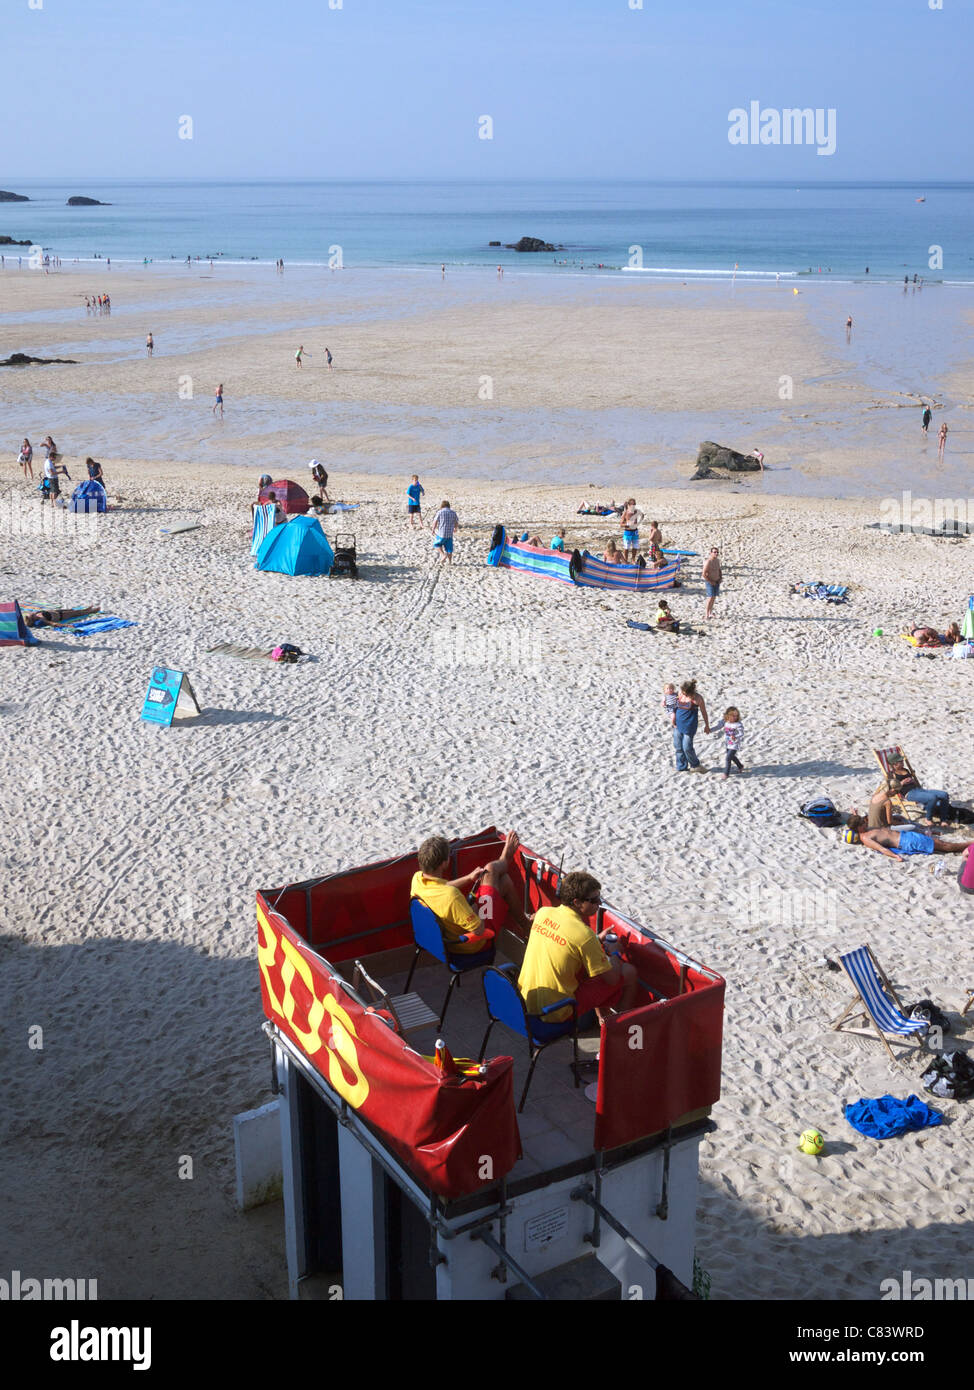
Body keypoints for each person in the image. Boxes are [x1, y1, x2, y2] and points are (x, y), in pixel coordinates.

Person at [518, 870, 638, 1032]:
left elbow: (566, 941)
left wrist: (596, 941)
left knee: (590, 970)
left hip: (525, 1000)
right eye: (594, 900)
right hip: (556, 1011)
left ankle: (602, 1020)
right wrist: (615, 952)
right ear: (577, 902)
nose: (598, 904)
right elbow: (612, 979)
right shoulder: (584, 934)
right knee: (628, 971)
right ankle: (618, 1032)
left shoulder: (543, 913)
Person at [410, 829, 530, 955]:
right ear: (444, 863)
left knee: (504, 881)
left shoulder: (418, 879)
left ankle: (525, 926)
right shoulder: (452, 896)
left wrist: (468, 878)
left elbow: (441, 886)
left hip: (448, 940)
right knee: (491, 869)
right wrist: (476, 908)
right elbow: (479, 930)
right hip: (474, 943)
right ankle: (505, 858)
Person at [845, 817, 974, 861]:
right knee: (944, 846)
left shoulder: (865, 830)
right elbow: (881, 848)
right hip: (906, 842)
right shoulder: (866, 838)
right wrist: (896, 857)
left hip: (906, 836)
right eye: (863, 823)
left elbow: (855, 822)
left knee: (939, 843)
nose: (865, 823)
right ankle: (970, 844)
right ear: (859, 828)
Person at [673, 679, 709, 772]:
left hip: (689, 726)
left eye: (685, 692)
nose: (683, 693)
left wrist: (707, 725)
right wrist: (673, 718)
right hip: (678, 724)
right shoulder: (680, 694)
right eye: (682, 691)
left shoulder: (698, 698)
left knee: (687, 748)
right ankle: (682, 767)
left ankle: (695, 765)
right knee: (678, 747)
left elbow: (704, 712)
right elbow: (674, 707)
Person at [712, 705, 745, 780]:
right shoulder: (725, 722)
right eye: (733, 716)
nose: (735, 717)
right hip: (728, 743)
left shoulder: (738, 724)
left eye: (736, 716)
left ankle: (726, 773)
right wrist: (710, 730)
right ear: (728, 715)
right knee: (732, 757)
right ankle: (740, 766)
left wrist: (735, 736)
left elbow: (741, 733)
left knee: (728, 758)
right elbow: (718, 727)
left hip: (735, 743)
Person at [620, 498, 643, 563]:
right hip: (628, 532)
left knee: (635, 546)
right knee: (626, 548)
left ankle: (633, 559)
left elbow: (642, 515)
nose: (634, 506)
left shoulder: (636, 511)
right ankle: (626, 559)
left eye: (635, 504)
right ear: (629, 505)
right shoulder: (625, 513)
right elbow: (621, 524)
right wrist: (627, 524)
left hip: (635, 531)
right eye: (633, 504)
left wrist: (638, 522)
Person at [702, 547, 722, 619]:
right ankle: (706, 614)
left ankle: (710, 612)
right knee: (710, 598)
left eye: (717, 552)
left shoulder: (717, 561)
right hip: (710, 582)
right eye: (714, 552)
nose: (716, 553)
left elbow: (719, 570)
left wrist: (720, 578)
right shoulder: (708, 562)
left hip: (717, 581)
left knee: (713, 597)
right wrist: (711, 581)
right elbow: (704, 574)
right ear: (711, 553)